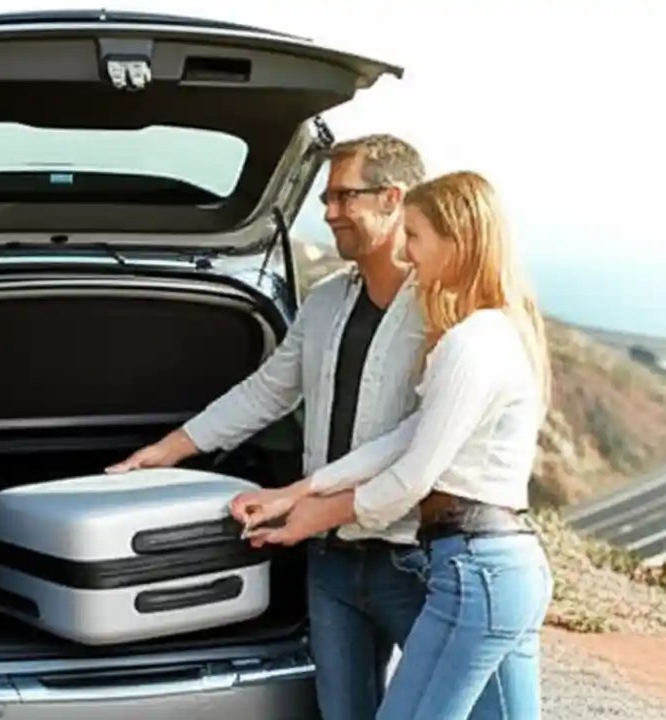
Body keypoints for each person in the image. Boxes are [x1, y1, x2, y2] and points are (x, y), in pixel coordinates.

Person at [105, 134, 432, 720]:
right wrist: (170, 449)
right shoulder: (328, 299)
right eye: (326, 198)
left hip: (411, 556)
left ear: (392, 198)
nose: (328, 212)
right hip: (329, 558)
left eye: (342, 197)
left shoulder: (440, 305)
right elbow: (268, 391)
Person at [236, 170, 555, 720]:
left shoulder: (469, 343)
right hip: (510, 568)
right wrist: (299, 489)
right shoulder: (502, 331)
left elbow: (411, 476)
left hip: (476, 571)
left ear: (458, 241)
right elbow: (401, 438)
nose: (407, 255)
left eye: (415, 237)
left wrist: (314, 515)